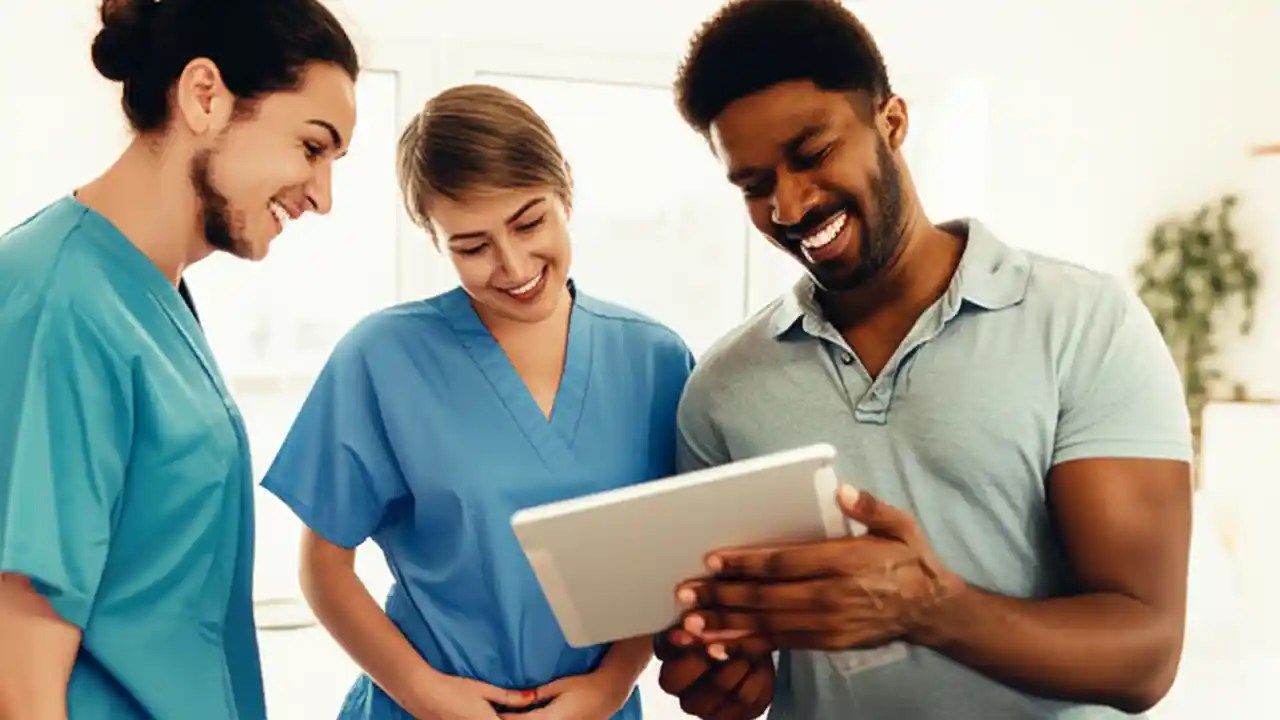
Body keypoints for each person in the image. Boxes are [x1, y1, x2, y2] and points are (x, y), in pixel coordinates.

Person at [655, 1, 1193, 718]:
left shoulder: (1086, 323)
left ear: (893, 121)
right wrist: (726, 675)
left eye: (811, 154)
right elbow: (739, 662)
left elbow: (1145, 654)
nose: (788, 205)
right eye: (754, 185)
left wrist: (929, 609)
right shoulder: (720, 391)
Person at [259, 83, 693, 720]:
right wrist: (424, 692)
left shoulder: (654, 360)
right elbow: (324, 570)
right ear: (432, 237)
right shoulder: (382, 358)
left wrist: (611, 686)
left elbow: (662, 561)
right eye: (471, 245)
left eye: (529, 222)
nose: (513, 264)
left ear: (564, 187)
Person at [0, 0, 359, 717]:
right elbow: (20, 650)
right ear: (205, 96)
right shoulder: (59, 295)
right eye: (313, 148)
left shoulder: (150, 295)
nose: (322, 195)